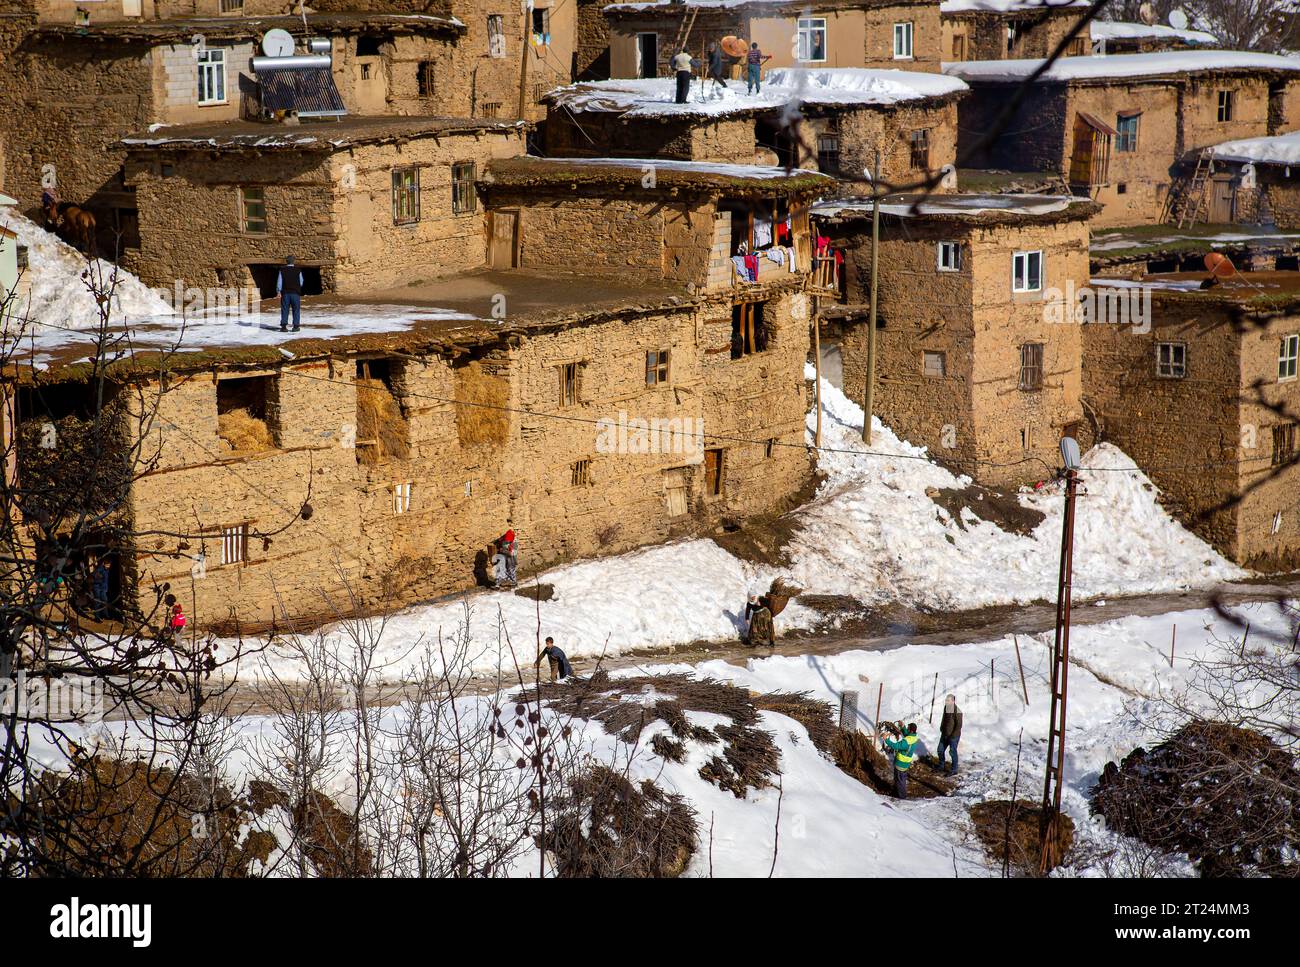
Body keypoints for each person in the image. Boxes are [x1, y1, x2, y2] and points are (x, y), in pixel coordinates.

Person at [883, 722, 919, 799]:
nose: (907, 730)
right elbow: (907, 735)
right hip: (905, 763)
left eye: (908, 728)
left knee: (900, 781)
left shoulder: (906, 742)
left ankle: (902, 797)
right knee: (900, 779)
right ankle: (897, 792)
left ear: (911, 731)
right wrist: (903, 727)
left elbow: (896, 746)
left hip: (900, 764)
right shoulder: (913, 737)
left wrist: (886, 740)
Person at [937, 694, 962, 775]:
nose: (946, 702)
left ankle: (954, 770)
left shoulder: (957, 711)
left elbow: (959, 725)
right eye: (946, 700)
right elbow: (944, 718)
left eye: (948, 700)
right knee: (940, 750)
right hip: (944, 734)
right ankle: (941, 766)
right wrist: (941, 727)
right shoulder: (946, 708)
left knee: (952, 752)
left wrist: (952, 736)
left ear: (953, 701)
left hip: (953, 736)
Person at [277, 255, 303, 332]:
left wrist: (279, 291)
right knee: (296, 309)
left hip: (285, 293)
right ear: (293, 261)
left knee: (285, 309)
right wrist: (297, 287)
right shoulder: (298, 270)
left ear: (286, 261)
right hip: (295, 293)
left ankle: (284, 326)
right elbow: (301, 281)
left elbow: (279, 282)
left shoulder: (282, 270)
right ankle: (296, 326)